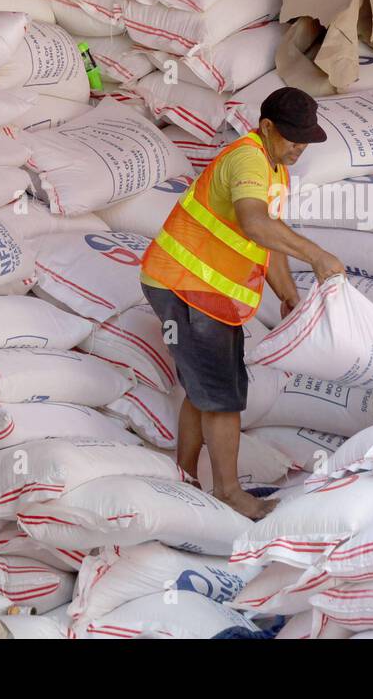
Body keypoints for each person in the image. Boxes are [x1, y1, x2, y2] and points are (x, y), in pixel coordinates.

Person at [139, 87, 344, 519]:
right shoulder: (248, 158)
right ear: (267, 127)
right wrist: (318, 255)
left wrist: (289, 295)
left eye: (306, 139)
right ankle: (229, 492)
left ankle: (185, 476)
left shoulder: (274, 166)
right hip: (184, 285)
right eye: (293, 138)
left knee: (206, 389)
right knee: (222, 395)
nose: (300, 148)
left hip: (208, 293)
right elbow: (254, 223)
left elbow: (267, 241)